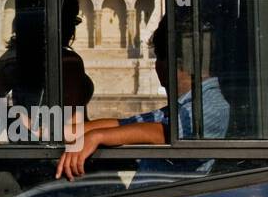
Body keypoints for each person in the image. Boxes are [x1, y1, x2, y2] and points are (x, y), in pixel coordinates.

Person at [55, 15, 230, 181]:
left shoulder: (213, 106)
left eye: (157, 58)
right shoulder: (185, 105)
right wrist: (46, 131)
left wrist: (96, 137)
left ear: (171, 63)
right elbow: (124, 125)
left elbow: (163, 133)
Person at [0, 0, 93, 140]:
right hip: (61, 148)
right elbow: (72, 125)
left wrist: (14, 115)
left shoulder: (12, 56)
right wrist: (24, 121)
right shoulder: (69, 61)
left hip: (30, 143)